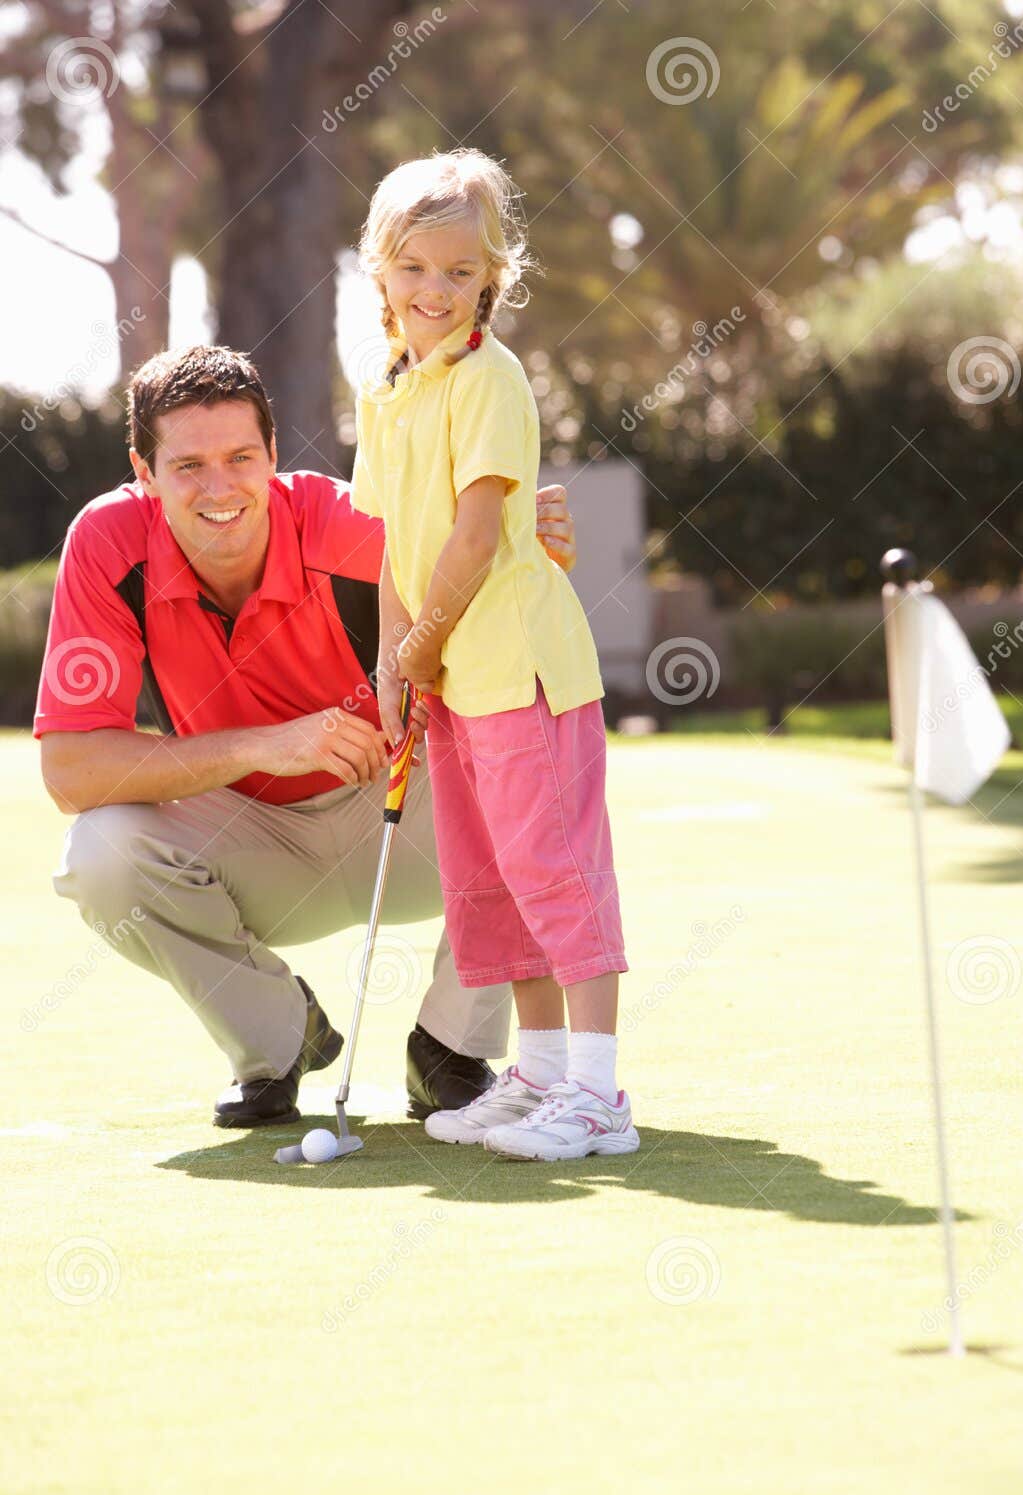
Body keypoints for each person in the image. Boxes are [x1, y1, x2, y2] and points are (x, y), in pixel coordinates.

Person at [34, 344, 577, 1130]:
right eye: (187, 465)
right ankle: (277, 1041)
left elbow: (494, 600)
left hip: (409, 822)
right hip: (250, 843)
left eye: (240, 457)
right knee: (99, 856)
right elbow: (69, 771)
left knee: (544, 776)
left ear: (274, 456)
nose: (219, 488)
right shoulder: (109, 543)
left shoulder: (350, 524)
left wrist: (534, 555)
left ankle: (451, 1051)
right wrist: (264, 745)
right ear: (142, 472)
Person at [353, 148, 636, 1162]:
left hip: (519, 663)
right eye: (415, 268)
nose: (435, 290)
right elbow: (390, 548)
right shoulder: (387, 390)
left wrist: (421, 649)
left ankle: (598, 1096)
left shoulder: (489, 378)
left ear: (490, 280)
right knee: (496, 883)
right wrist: (395, 668)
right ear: (378, 271)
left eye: (459, 272)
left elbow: (475, 537)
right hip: (455, 683)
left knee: (554, 872)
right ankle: (541, 1077)